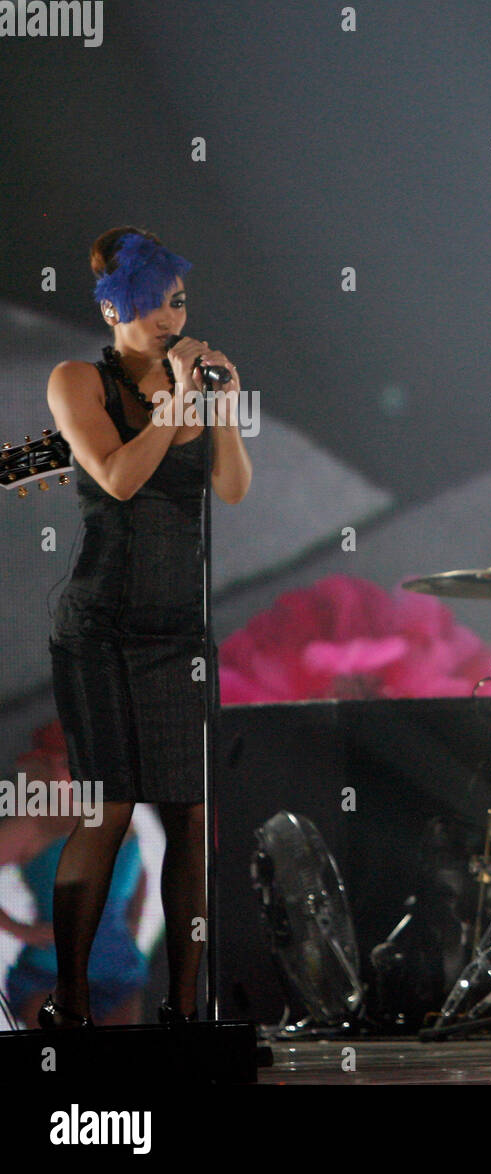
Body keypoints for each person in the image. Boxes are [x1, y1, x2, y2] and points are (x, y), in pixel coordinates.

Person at [39, 226, 252, 1028]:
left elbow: (230, 488)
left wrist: (219, 406)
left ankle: (186, 1008)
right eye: (158, 304)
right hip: (101, 626)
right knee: (113, 807)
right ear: (113, 310)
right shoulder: (76, 381)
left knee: (191, 814)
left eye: (180, 303)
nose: (173, 317)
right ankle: (72, 999)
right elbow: (120, 479)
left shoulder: (196, 384)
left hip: (180, 633)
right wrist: (174, 402)